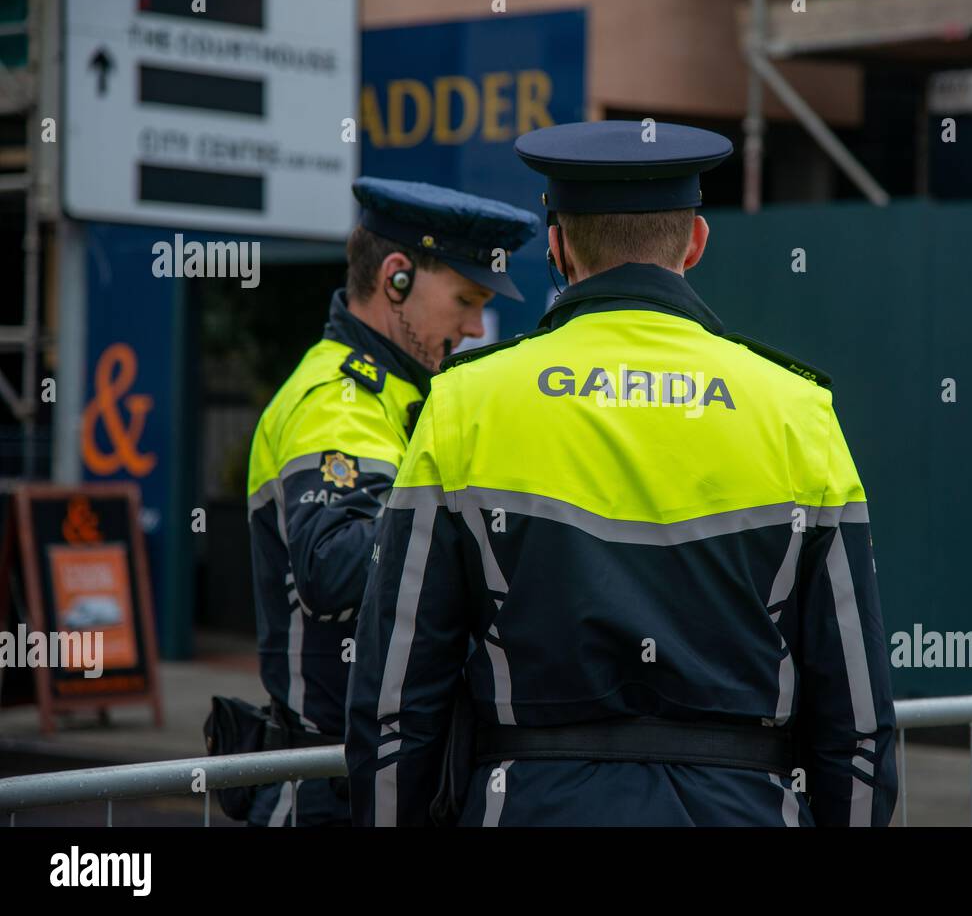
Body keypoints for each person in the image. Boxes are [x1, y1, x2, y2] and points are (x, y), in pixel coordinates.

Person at [345, 121, 896, 827]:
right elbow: (858, 722)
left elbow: (395, 701)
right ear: (695, 242)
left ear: (557, 245)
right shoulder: (798, 411)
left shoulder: (464, 405)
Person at [244, 177, 538, 826]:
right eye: (465, 300)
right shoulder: (339, 399)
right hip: (327, 786)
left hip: (369, 772)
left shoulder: (404, 397)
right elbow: (333, 565)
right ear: (396, 277)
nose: (473, 327)